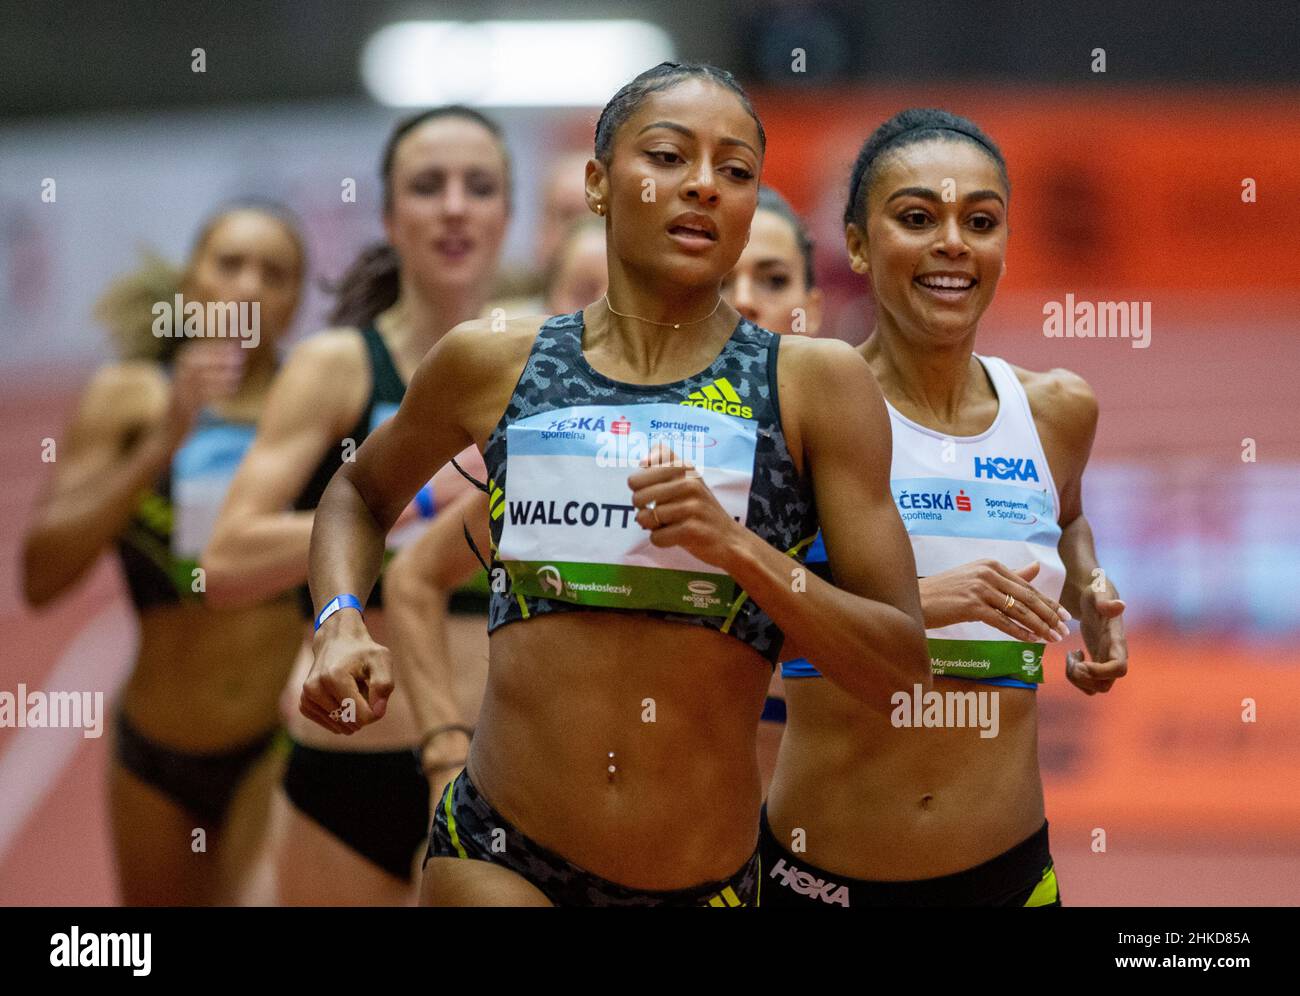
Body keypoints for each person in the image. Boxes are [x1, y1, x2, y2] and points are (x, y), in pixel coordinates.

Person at [302, 62, 930, 908]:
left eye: (736, 171)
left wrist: (738, 549)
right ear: (598, 184)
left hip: (702, 881)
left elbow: (900, 671)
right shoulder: (494, 362)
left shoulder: (814, 386)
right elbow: (358, 495)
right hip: (499, 854)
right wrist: (339, 621)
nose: (703, 186)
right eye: (669, 157)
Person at [762, 108, 1130, 908]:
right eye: (919, 218)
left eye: (982, 221)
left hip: (1009, 875)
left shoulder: (1059, 408)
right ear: (856, 245)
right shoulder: (798, 414)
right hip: (819, 880)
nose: (954, 243)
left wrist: (1092, 590)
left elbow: (1065, 520)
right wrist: (917, 606)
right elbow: (726, 617)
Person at [202, 106, 510, 904]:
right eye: (426, 185)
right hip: (347, 768)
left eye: (478, 187)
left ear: (508, 214)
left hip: (501, 767)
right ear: (388, 216)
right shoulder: (339, 365)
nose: (453, 205)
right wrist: (408, 506)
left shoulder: (540, 358)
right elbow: (227, 559)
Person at [21, 204, 307, 905]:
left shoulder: (316, 404)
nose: (247, 287)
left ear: (297, 301)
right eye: (229, 264)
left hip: (272, 746)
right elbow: (41, 576)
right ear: (189, 285)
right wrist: (162, 441)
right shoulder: (126, 399)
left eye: (274, 273)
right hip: (153, 752)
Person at [380, 213, 611, 811]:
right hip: (491, 772)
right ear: (547, 304)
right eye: (586, 292)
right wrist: (445, 752)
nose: (608, 311)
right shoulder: (525, 442)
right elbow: (405, 563)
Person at [720, 184, 821, 793]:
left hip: (832, 842)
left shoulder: (876, 456)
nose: (745, 302)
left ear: (814, 305)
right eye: (722, 280)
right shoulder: (627, 443)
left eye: (773, 280)